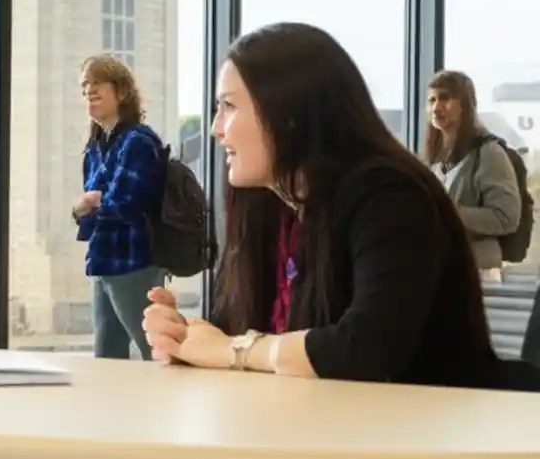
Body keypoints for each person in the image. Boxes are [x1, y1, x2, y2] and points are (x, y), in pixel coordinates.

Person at [142, 22, 504, 389]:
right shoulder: (270, 204)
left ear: (289, 113)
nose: (217, 128)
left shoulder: (392, 198)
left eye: (229, 107)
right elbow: (237, 332)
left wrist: (232, 351)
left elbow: (368, 350)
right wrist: (184, 337)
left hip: (418, 434)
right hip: (311, 431)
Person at [73, 55, 166, 360]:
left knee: (153, 350)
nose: (89, 90)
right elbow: (90, 214)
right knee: (106, 356)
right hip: (103, 262)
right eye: (85, 84)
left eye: (98, 82)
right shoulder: (94, 148)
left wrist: (92, 205)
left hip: (134, 264)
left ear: (122, 92)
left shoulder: (138, 141)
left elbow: (127, 202)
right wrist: (84, 208)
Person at [424, 69, 521, 274]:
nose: (436, 107)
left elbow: (506, 217)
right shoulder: (434, 157)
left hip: (477, 271)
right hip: (443, 270)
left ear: (465, 105)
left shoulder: (488, 153)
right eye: (431, 100)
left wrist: (452, 213)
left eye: (445, 98)